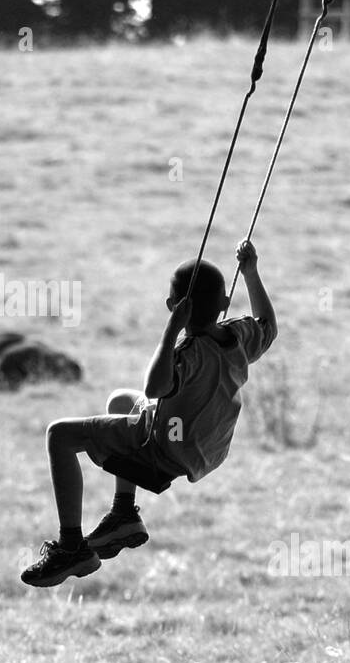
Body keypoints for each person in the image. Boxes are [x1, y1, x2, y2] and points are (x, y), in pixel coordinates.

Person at [21, 239, 277, 588]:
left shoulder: (188, 354)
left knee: (59, 435)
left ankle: (71, 548)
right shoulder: (239, 335)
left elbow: (155, 387)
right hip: (206, 447)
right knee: (120, 402)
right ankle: (123, 512)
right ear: (224, 302)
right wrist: (250, 272)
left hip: (166, 445)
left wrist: (173, 327)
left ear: (174, 306)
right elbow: (268, 325)